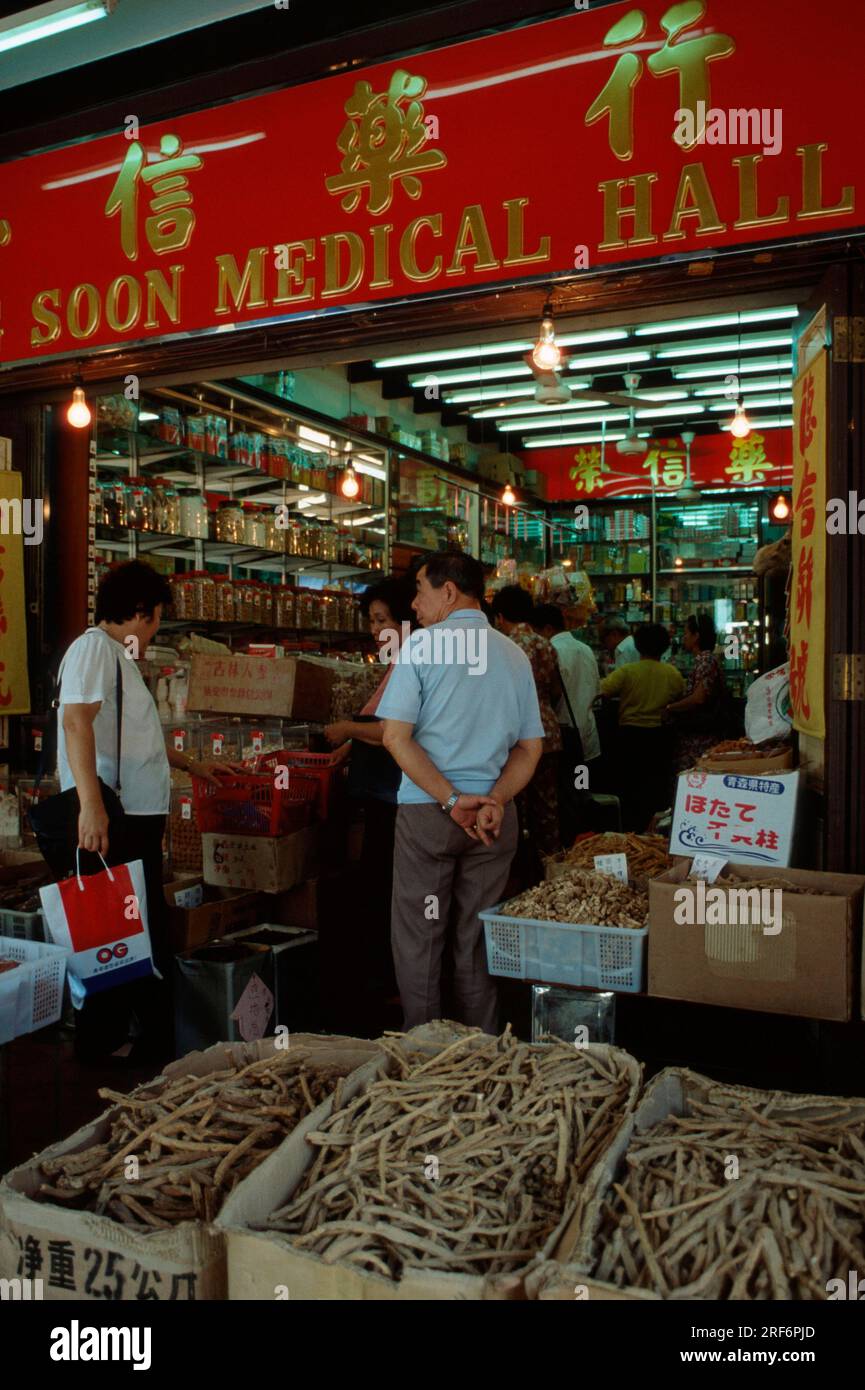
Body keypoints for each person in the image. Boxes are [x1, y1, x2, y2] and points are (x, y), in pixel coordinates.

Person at [56, 560, 236, 1063]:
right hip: (113, 818)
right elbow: (76, 724)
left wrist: (194, 765)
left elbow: (137, 740)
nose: (156, 626)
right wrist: (91, 808)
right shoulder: (94, 648)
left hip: (130, 817)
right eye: (156, 616)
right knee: (114, 931)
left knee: (133, 931)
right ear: (139, 611)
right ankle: (106, 1046)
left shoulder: (117, 656)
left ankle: (134, 1040)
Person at [378, 552, 543, 1031]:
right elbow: (529, 749)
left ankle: (425, 1059)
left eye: (420, 590)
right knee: (475, 940)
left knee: (420, 939)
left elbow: (394, 737)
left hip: (431, 816)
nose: (414, 603)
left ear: (448, 591)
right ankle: (485, 1055)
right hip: (492, 821)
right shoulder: (514, 654)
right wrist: (494, 799)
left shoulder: (421, 648)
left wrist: (452, 801)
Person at [323, 576, 415, 996]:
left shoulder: (411, 660)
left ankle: (389, 979)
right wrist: (348, 747)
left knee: (383, 880)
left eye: (382, 621)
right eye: (372, 622)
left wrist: (346, 729)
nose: (375, 631)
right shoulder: (397, 662)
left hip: (395, 794)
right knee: (377, 877)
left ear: (406, 621)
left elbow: (390, 731)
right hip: (383, 792)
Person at [490, 585, 563, 863]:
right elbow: (555, 689)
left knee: (515, 803)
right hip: (549, 731)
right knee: (547, 806)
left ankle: (517, 865)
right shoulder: (545, 643)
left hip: (517, 736)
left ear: (499, 616)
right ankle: (550, 863)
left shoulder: (505, 646)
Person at [599, 622, 686, 832]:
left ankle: (631, 830)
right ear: (665, 647)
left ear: (638, 646)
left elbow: (602, 690)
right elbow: (680, 698)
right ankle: (655, 830)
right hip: (660, 737)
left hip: (630, 736)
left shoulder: (627, 672)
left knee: (630, 786)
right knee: (656, 786)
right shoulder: (673, 673)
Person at [534, 602, 600, 844]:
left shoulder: (551, 649)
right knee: (581, 790)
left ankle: (571, 844)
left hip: (564, 738)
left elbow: (552, 694)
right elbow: (597, 689)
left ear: (547, 628)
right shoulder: (585, 649)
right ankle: (585, 840)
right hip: (587, 737)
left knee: (565, 797)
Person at [666, 613, 727, 771]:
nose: (684, 637)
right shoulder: (707, 659)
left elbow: (698, 698)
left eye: (686, 633)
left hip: (700, 738)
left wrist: (671, 708)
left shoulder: (705, 660)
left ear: (696, 636)